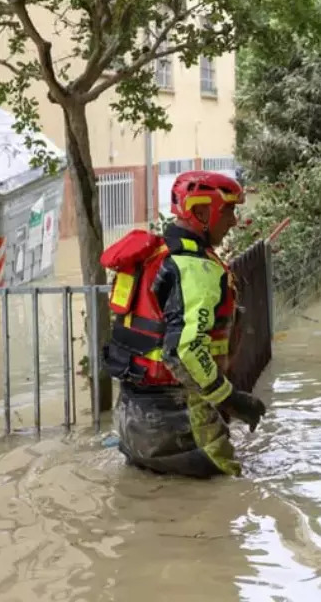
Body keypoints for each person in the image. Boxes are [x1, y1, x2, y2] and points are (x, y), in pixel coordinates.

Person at [100, 170, 268, 479]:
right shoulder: (196, 269)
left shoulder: (152, 256)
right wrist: (232, 400)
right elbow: (183, 350)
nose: (234, 220)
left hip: (130, 424)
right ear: (202, 212)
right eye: (229, 209)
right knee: (232, 498)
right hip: (180, 424)